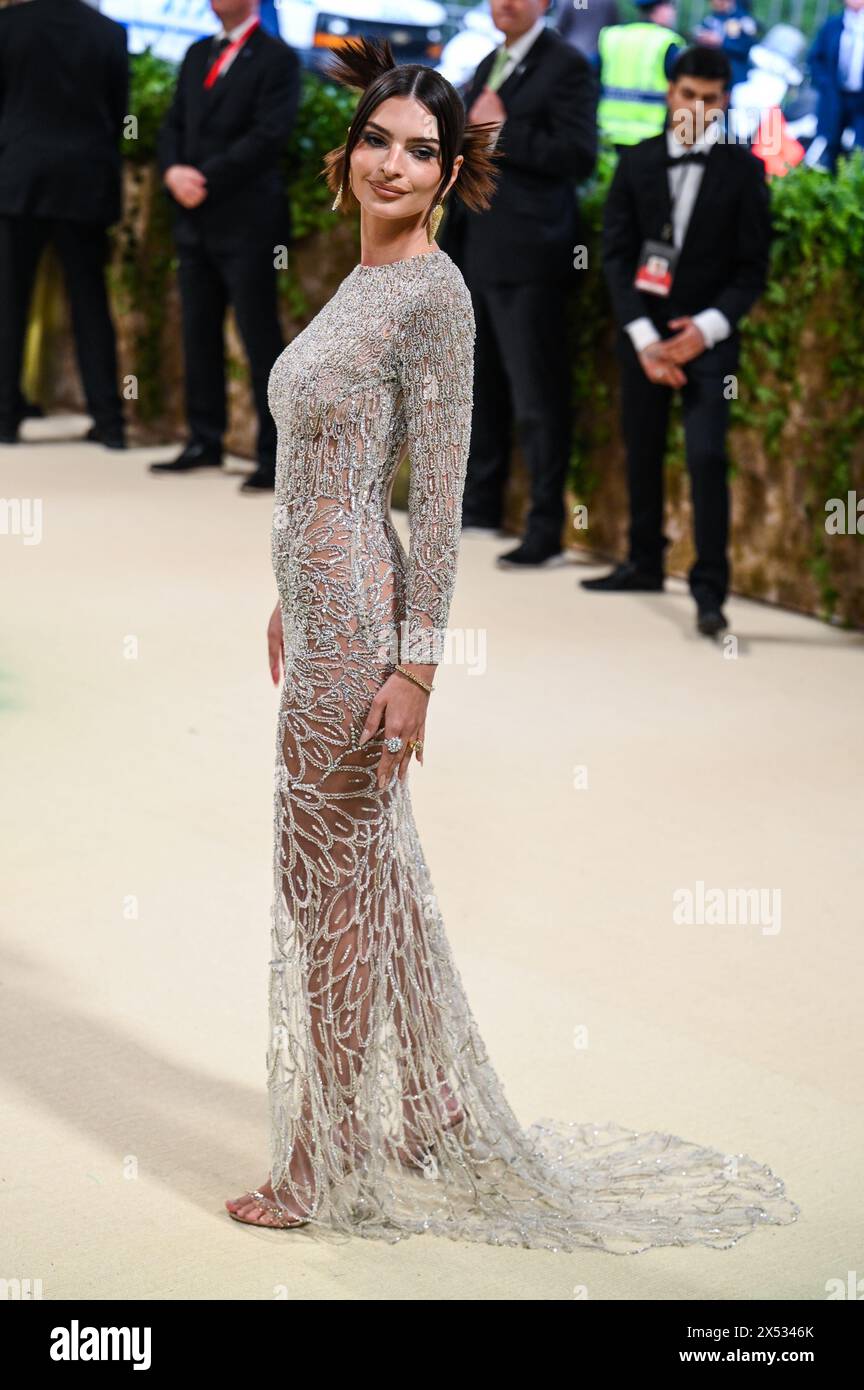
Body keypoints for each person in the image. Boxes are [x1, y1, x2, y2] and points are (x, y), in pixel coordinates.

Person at [224, 36, 799, 1248]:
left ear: (449, 172)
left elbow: (436, 500)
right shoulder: (359, 275)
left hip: (363, 627)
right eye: (378, 139)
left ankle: (322, 1161)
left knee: (332, 888)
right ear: (351, 151)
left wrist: (418, 664)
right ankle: (424, 1105)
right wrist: (292, 581)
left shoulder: (436, 292)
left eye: (419, 151)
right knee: (357, 876)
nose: (391, 163)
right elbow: (336, 468)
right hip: (324, 601)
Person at [584, 46, 772, 636]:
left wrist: (704, 332)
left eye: (710, 98)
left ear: (725, 102)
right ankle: (643, 562)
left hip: (709, 338)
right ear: (671, 94)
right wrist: (645, 339)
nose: (697, 107)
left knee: (707, 456)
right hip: (644, 333)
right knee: (640, 446)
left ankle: (710, 590)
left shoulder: (745, 171)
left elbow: (751, 271)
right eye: (688, 93)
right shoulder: (636, 162)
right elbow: (615, 257)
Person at [438, 0, 598, 568]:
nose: (503, 3)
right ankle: (481, 504)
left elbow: (580, 156)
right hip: (477, 249)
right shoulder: (489, 62)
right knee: (482, 387)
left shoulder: (567, 65)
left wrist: (505, 131)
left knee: (537, 395)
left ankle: (545, 527)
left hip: (533, 255)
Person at [150, 0, 300, 492]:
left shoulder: (277, 57)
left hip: (247, 219)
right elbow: (174, 123)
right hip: (194, 218)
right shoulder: (197, 53)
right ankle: (204, 438)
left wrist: (204, 178)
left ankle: (273, 454)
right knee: (198, 330)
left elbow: (269, 135)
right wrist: (173, 171)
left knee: (259, 338)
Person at [0, 0, 128, 447]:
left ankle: (4, 419)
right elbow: (119, 116)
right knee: (90, 301)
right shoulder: (109, 32)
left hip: (18, 179)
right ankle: (109, 422)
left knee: (9, 301)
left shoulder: (8, 24)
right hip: (85, 181)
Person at [596, 0, 685, 148]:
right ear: (659, 9)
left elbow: (593, 75)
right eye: (671, 7)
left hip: (609, 133)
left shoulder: (613, 36)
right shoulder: (666, 41)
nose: (673, 13)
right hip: (651, 135)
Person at [807, 0, 864, 173]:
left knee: (859, 150)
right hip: (835, 97)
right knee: (830, 146)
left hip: (861, 99)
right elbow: (815, 59)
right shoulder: (832, 25)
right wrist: (825, 85)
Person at [693, 0, 759, 89]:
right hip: (709, 72)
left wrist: (721, 42)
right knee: (699, 98)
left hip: (734, 77)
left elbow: (747, 47)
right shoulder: (711, 18)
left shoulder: (743, 20)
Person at [556, 0, 620, 63]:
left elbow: (560, 27)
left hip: (573, 51)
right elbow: (613, 25)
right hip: (598, 53)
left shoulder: (568, 1)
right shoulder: (608, 2)